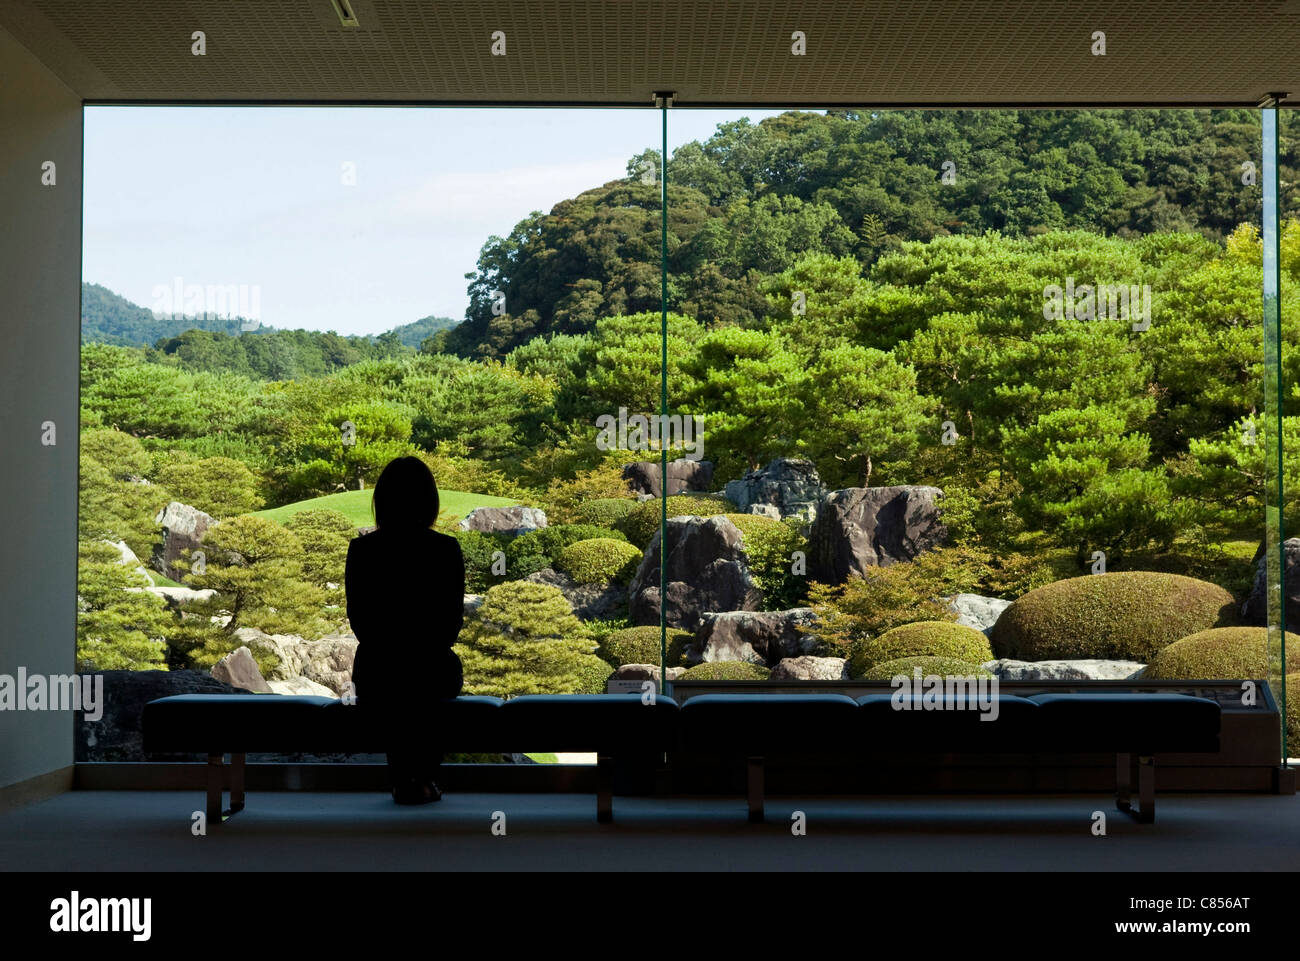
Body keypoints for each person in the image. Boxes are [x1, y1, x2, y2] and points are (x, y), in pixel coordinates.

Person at [344, 456, 466, 805]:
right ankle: (424, 778)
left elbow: (362, 624)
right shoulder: (444, 549)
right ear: (429, 501)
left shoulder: (363, 550)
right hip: (431, 669)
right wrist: (420, 650)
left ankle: (403, 779)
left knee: (393, 677)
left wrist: (394, 649)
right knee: (429, 675)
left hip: (376, 671)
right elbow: (449, 625)